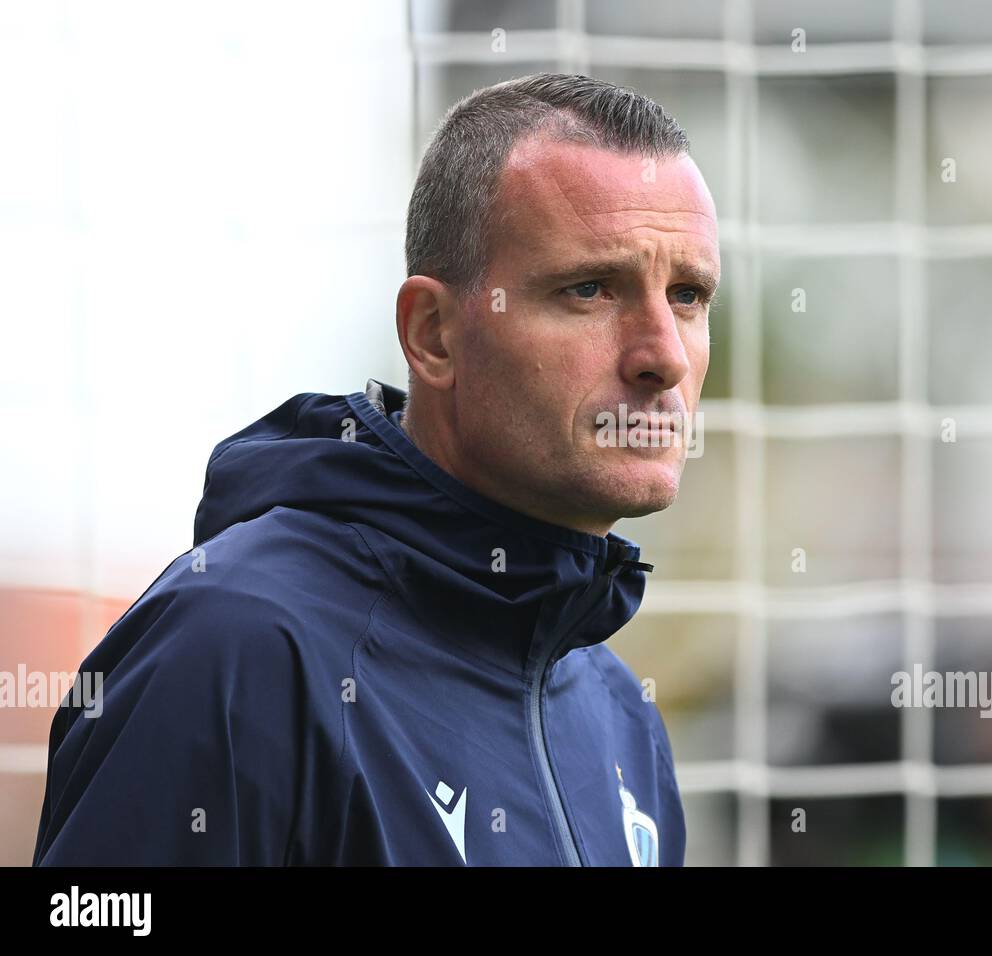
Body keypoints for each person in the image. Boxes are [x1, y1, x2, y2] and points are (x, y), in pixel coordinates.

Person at [33, 72, 719, 866]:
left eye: (688, 296)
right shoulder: (234, 649)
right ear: (432, 334)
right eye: (590, 289)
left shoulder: (621, 720)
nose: (663, 355)